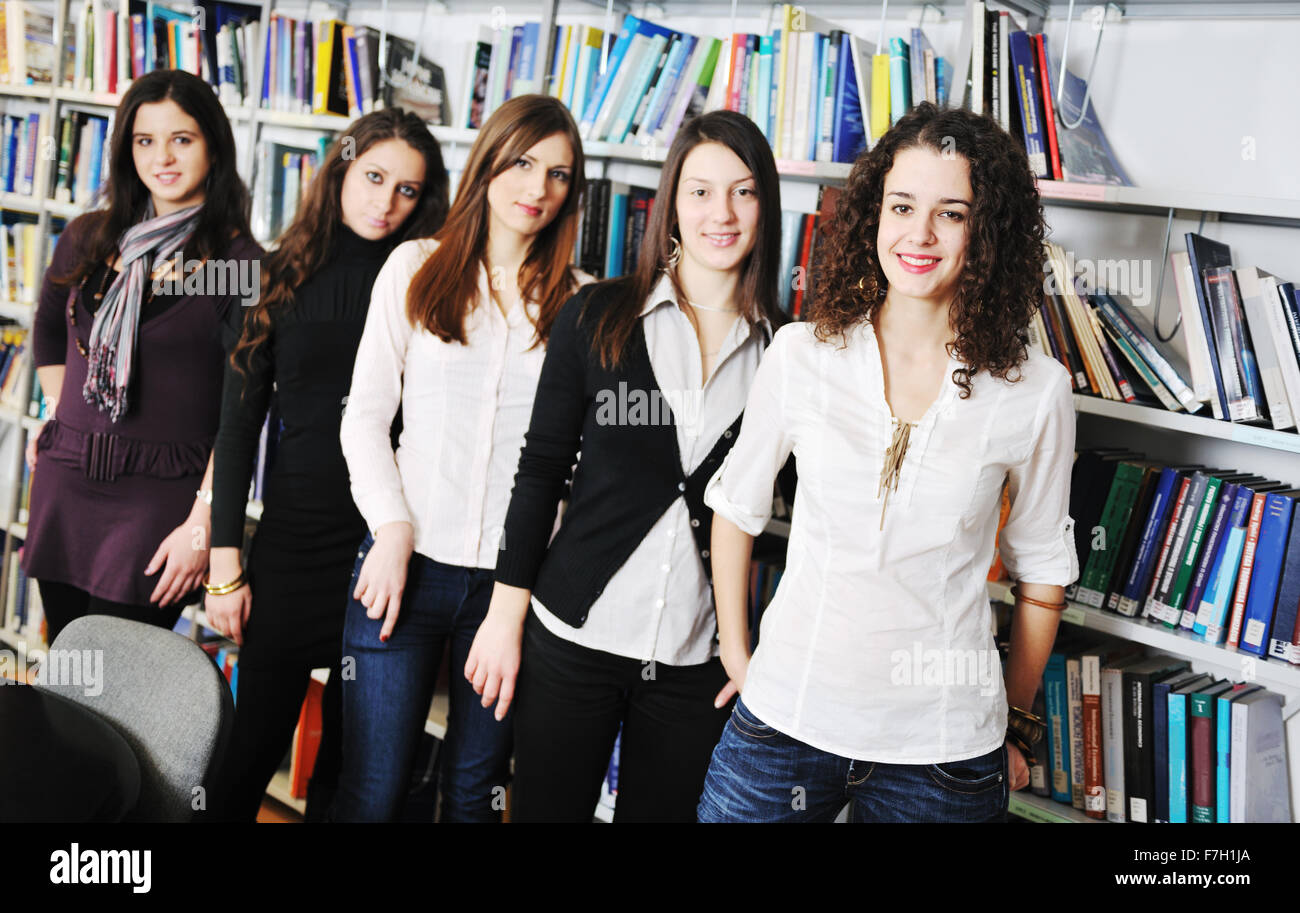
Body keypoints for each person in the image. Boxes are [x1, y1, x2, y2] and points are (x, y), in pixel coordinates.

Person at [695, 102, 1077, 823]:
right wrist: (740, 658)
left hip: (942, 748)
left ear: (986, 231)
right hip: (786, 719)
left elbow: (1044, 574)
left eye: (952, 214)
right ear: (873, 213)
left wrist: (1014, 721)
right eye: (902, 205)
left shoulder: (1037, 391)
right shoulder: (802, 355)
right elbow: (735, 508)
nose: (919, 234)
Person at [466, 110, 786, 823]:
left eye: (743, 192)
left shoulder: (787, 353)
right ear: (672, 202)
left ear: (766, 203)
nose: (722, 214)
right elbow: (540, 469)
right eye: (700, 192)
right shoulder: (597, 315)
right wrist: (503, 614)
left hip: (694, 660)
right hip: (571, 639)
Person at [335, 94, 589, 822]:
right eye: (522, 163)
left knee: (476, 794)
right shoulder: (415, 267)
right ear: (487, 164)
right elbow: (364, 418)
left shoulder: (580, 302)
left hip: (510, 592)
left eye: (559, 174)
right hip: (402, 568)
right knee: (375, 791)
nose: (538, 188)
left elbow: (574, 462)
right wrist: (390, 527)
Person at [202, 109, 450, 822]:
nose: (386, 202)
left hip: (393, 544)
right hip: (295, 540)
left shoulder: (431, 283)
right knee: (249, 746)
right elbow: (236, 425)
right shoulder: (276, 277)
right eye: (373, 177)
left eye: (408, 189)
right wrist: (225, 561)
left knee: (359, 766)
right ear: (340, 171)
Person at [25, 69, 263, 644]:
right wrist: (62, 413)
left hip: (160, 501)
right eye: (144, 140)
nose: (163, 158)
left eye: (182, 139)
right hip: (67, 483)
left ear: (214, 146)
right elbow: (51, 331)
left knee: (118, 682)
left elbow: (242, 414)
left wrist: (202, 526)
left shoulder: (240, 265)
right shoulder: (88, 238)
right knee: (66, 664)